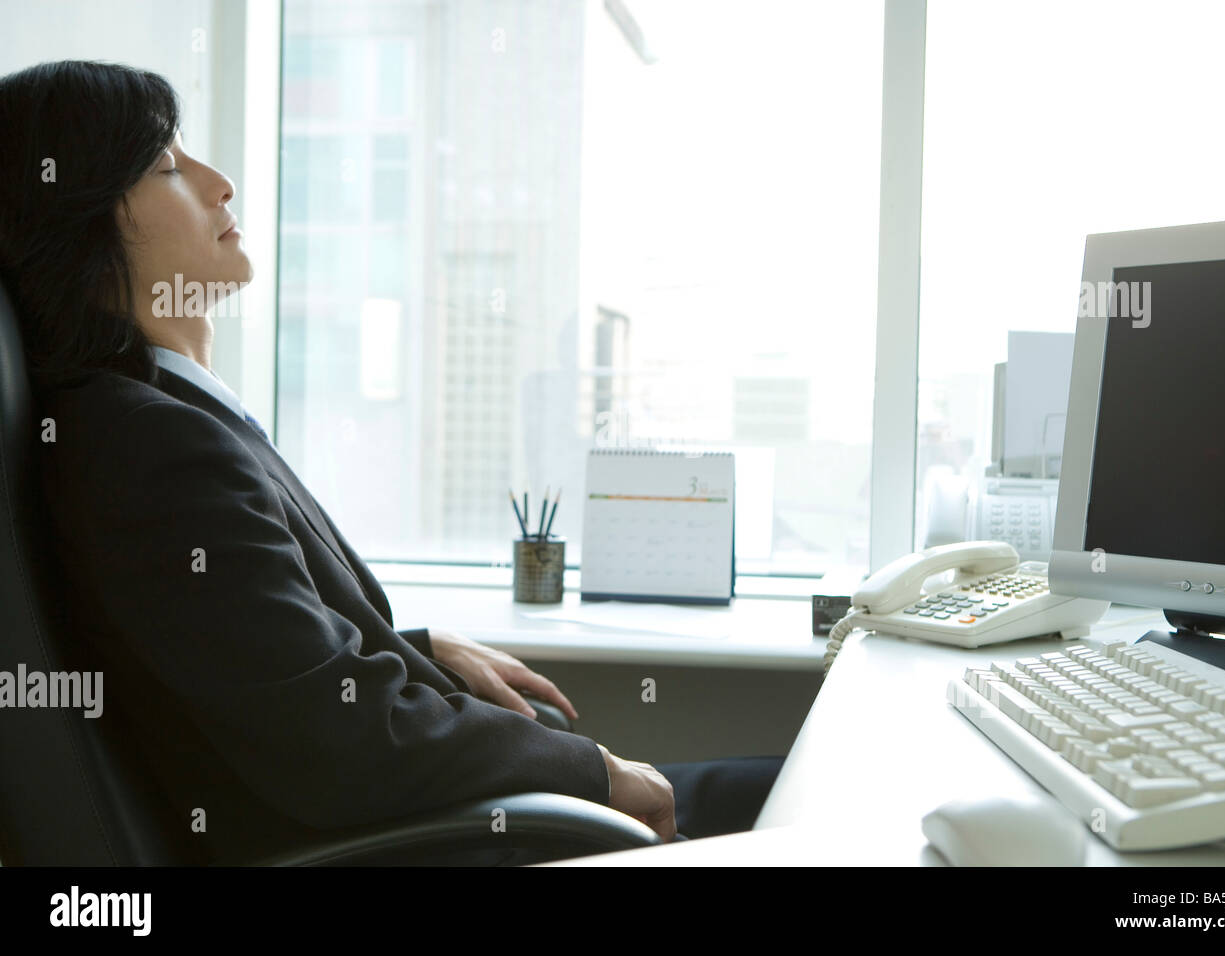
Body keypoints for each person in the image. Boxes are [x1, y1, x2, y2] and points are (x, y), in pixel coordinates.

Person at [0, 59, 781, 864]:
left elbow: (244, 657)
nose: (219, 182)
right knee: (808, 804)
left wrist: (418, 646)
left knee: (789, 786)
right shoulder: (152, 448)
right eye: (165, 165)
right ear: (80, 224)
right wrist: (598, 774)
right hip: (402, 844)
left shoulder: (172, 419)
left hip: (411, 820)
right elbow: (336, 740)